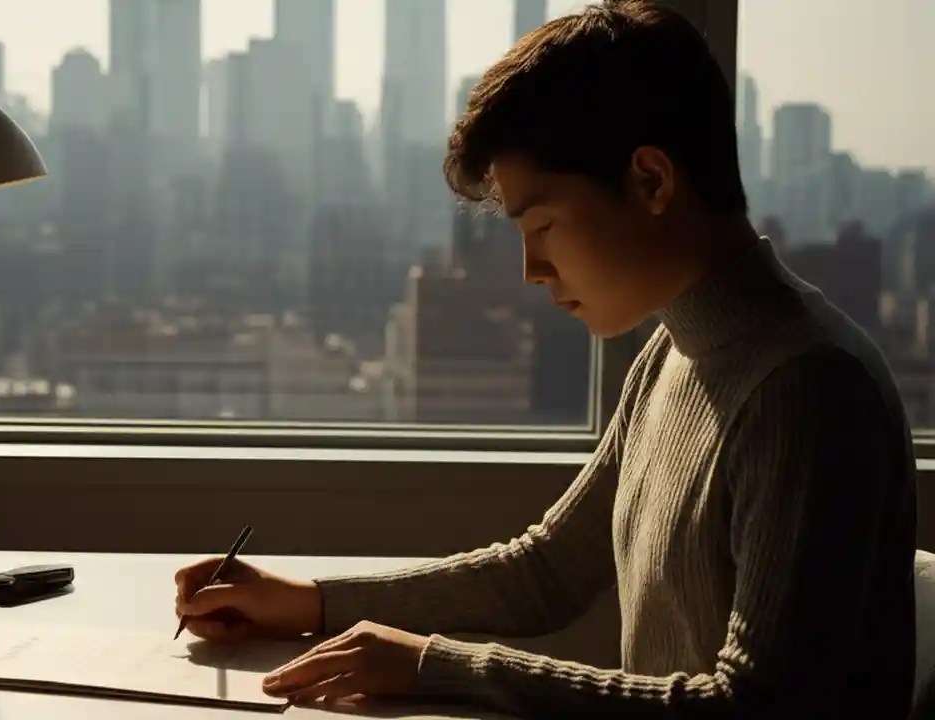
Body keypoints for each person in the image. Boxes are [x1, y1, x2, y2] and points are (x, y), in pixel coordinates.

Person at [173, 0, 918, 717]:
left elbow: (757, 707)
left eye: (545, 225)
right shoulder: (673, 352)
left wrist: (440, 667)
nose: (532, 268)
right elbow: (547, 572)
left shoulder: (809, 389)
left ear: (652, 181)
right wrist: (310, 604)